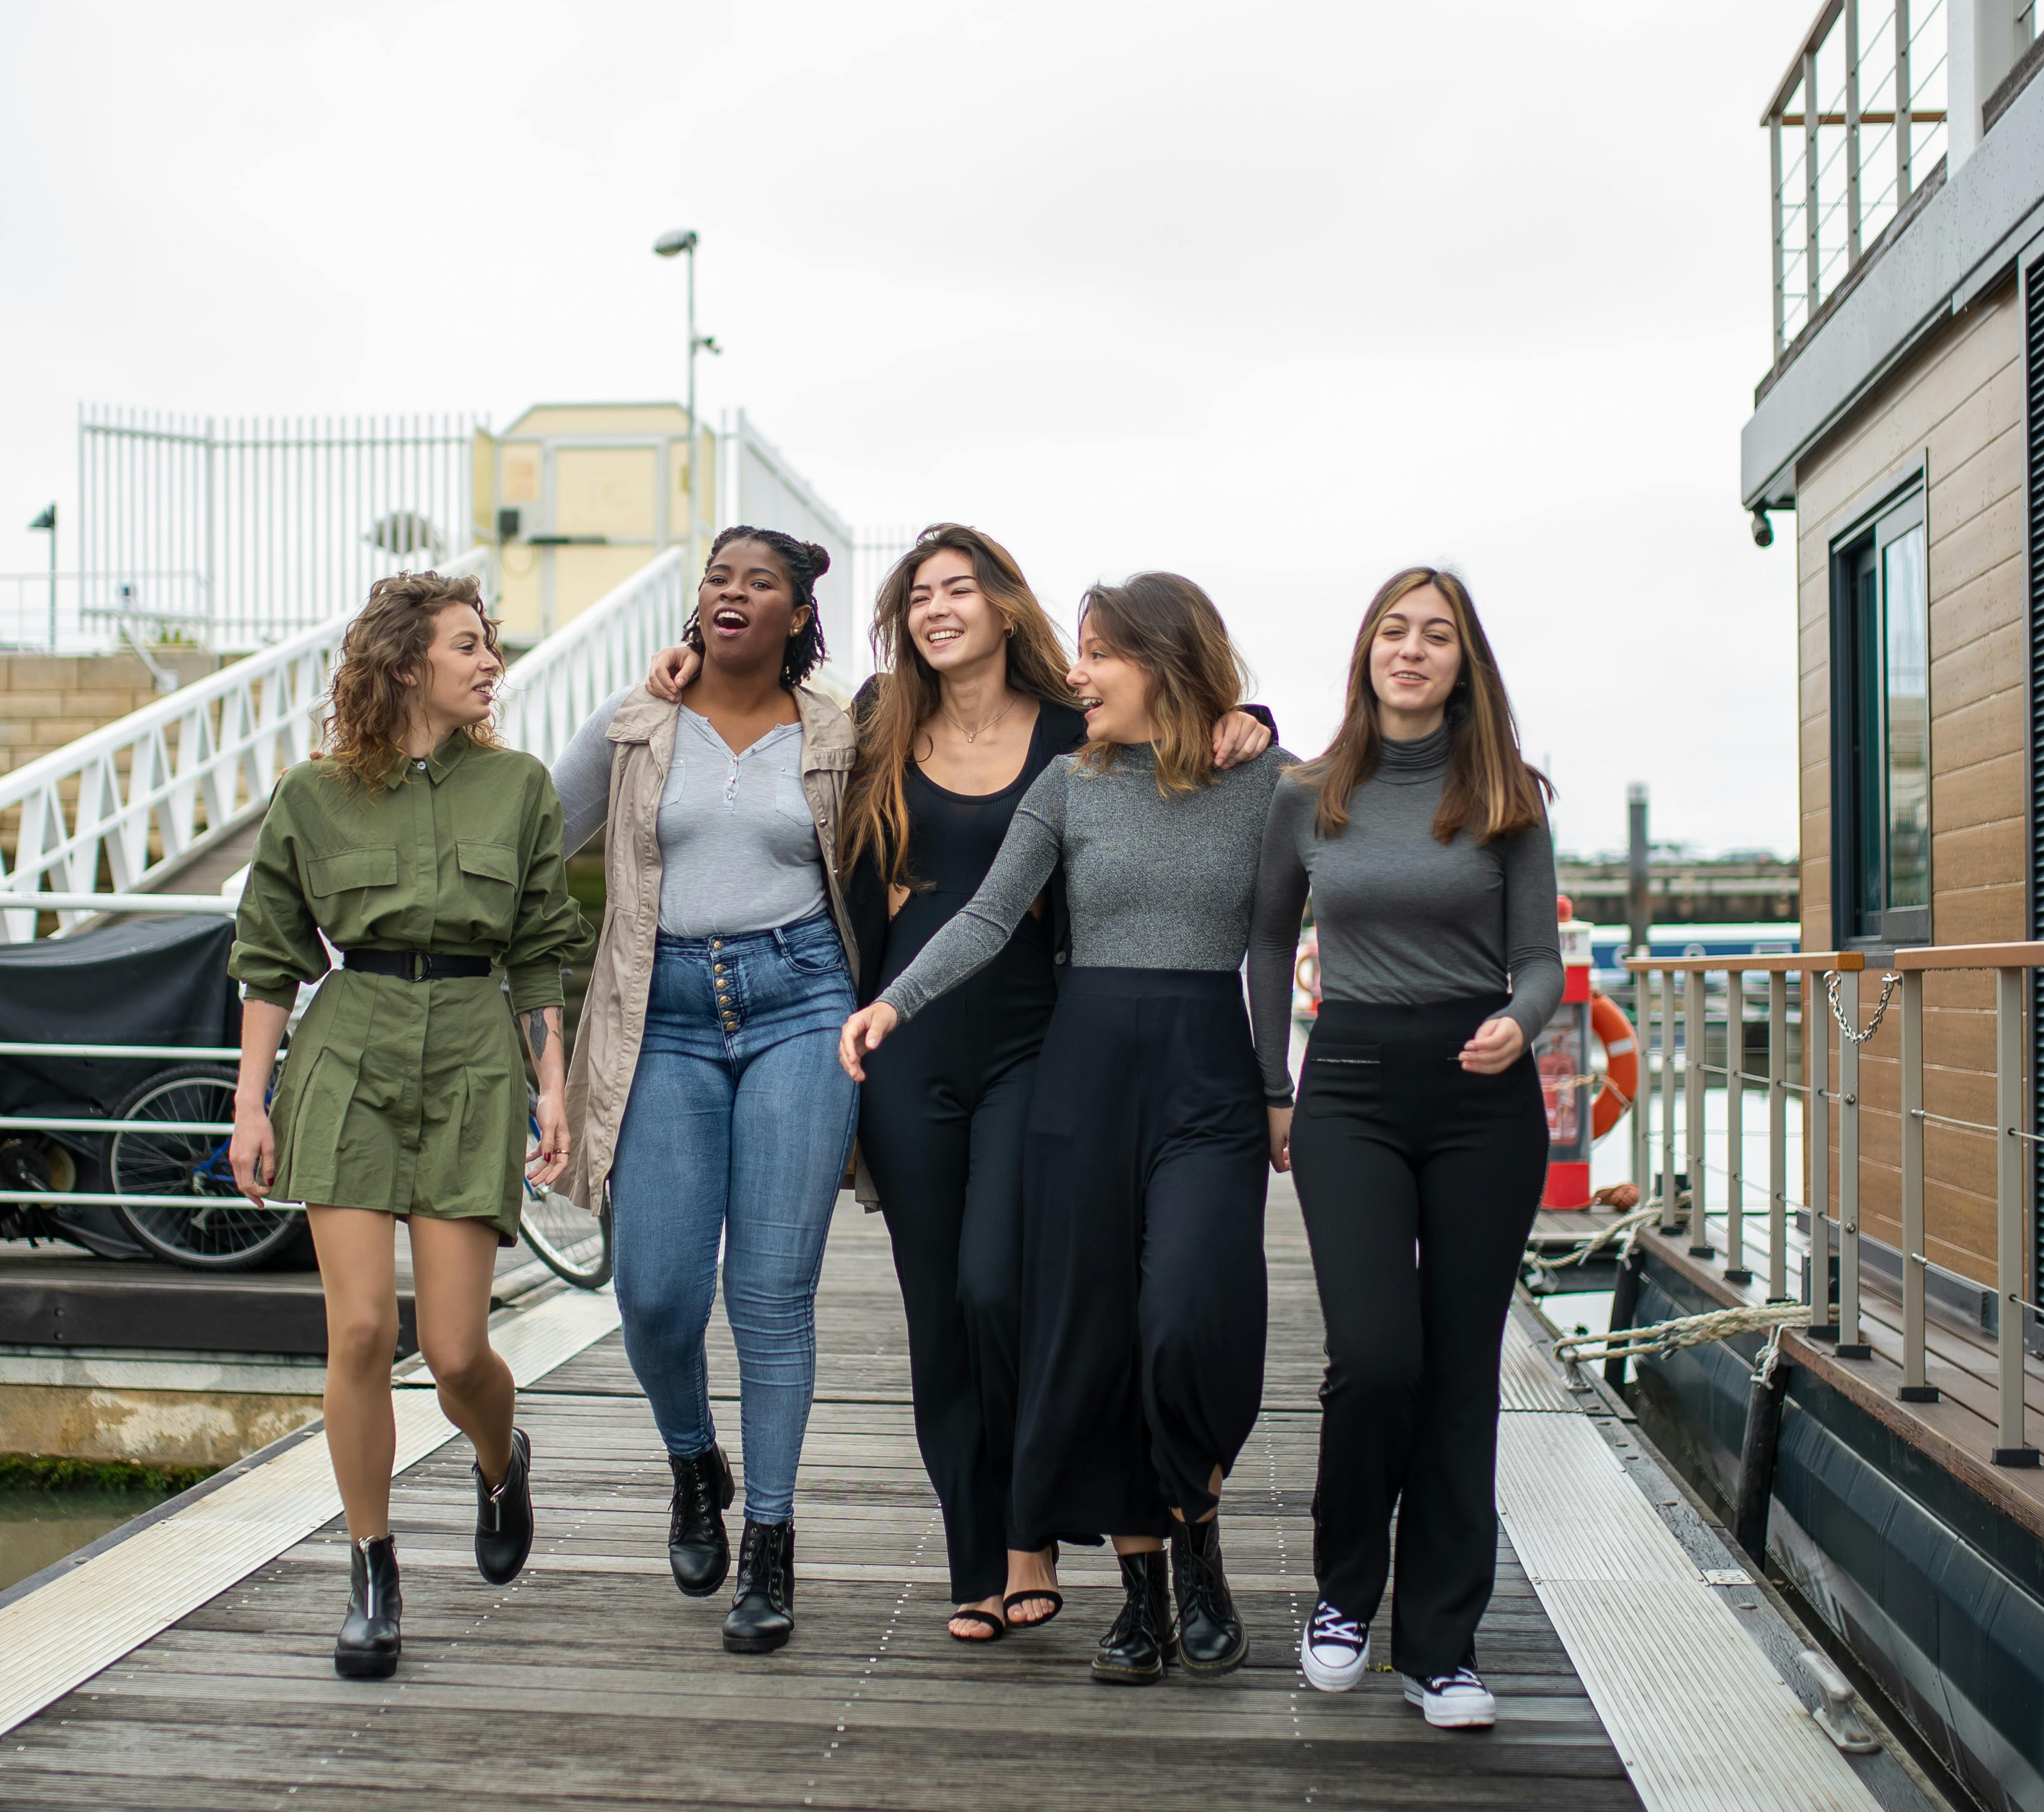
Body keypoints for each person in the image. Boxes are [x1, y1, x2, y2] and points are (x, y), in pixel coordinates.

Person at [660, 526, 1269, 1643]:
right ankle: (978, 1558)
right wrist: (686, 662)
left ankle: (1031, 1524)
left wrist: (1253, 720)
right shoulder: (883, 718)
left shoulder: (1071, 724)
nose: (939, 608)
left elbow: (1194, 739)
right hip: (909, 1036)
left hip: (1037, 1036)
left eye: (960, 589)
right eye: (920, 594)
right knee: (938, 1312)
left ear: (1002, 606)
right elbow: (764, 719)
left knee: (1002, 1285)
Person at [842, 572, 1294, 1686]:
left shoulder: (1269, 783)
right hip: (1083, 1077)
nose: (1076, 673)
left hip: (1206, 1076)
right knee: (1092, 1330)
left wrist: (1284, 1083)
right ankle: (1143, 1595)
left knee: (1188, 1314)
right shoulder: (1069, 782)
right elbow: (991, 915)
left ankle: (1201, 1538)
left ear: (1168, 663)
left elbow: (1326, 891)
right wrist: (896, 1000)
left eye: (1100, 654)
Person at [226, 572, 589, 1681]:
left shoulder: (520, 787)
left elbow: (539, 949)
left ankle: (497, 1458)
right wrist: (249, 1101)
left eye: (491, 647)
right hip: (349, 1052)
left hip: (474, 1058)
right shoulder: (313, 794)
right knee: (359, 1335)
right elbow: (270, 951)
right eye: (469, 646)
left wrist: (554, 1086)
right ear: (405, 666)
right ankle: (372, 1567)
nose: (492, 664)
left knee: (455, 1347)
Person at [1247, 565, 1559, 1731]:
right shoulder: (1309, 794)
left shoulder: (1508, 795)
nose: (1413, 649)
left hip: (1483, 1098)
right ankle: (1341, 1597)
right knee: (1376, 1356)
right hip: (1355, 1088)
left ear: (1463, 660)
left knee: (1459, 1370)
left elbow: (1539, 962)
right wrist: (1271, 1084)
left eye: (1436, 634)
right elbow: (1271, 946)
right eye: (1395, 629)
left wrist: (1516, 1024)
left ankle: (1442, 1646)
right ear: (1367, 651)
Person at [550, 525, 864, 1654]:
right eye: (719, 579)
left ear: (796, 613)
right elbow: (532, 837)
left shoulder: (840, 734)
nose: (733, 594)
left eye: (759, 582)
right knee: (658, 1294)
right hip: (662, 1015)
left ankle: (772, 1546)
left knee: (771, 1294)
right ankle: (694, 1459)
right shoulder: (638, 724)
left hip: (802, 1003)